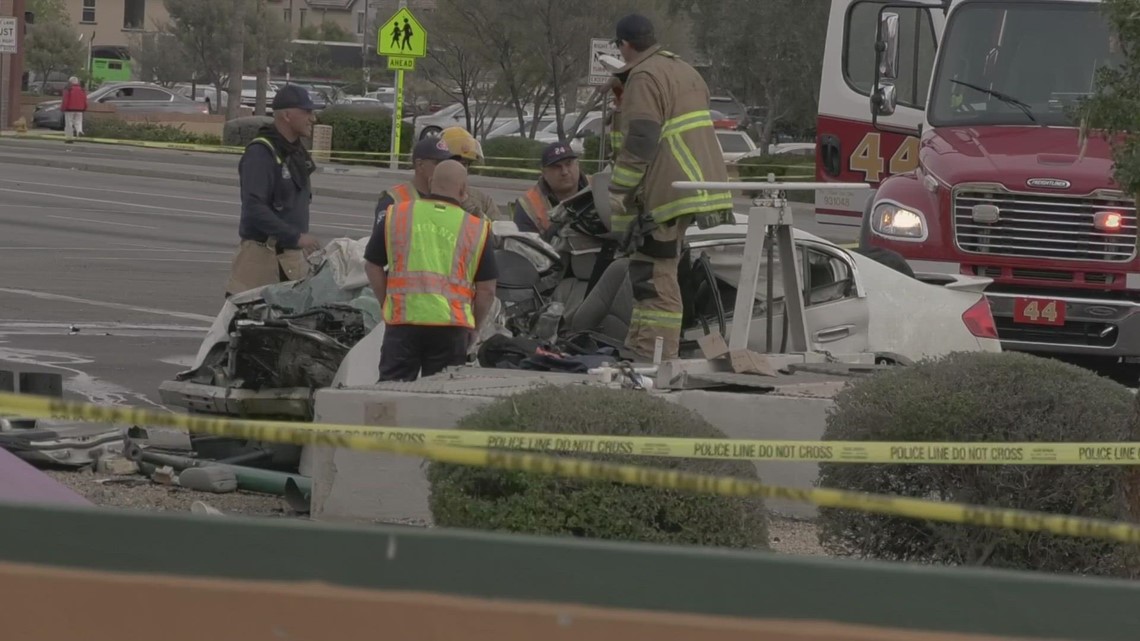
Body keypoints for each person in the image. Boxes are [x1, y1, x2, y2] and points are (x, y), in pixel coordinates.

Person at [607, 13, 734, 361]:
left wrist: (619, 191)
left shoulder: (645, 76)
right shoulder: (684, 70)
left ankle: (656, 360)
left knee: (657, 282)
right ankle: (639, 350)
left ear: (624, 45)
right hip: (691, 188)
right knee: (650, 277)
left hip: (666, 193)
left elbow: (642, 139)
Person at [364, 159, 499, 382]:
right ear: (464, 189)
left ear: (430, 182)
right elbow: (487, 291)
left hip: (403, 323)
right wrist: (474, 327)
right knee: (438, 397)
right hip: (451, 328)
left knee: (390, 393)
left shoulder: (397, 215)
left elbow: (372, 265)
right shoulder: (475, 228)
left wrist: (386, 303)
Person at [224, 85, 321, 298]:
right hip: (261, 262)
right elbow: (254, 208)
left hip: (290, 261)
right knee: (248, 326)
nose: (312, 118)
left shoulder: (295, 153)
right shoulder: (261, 153)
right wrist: (295, 236)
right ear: (287, 115)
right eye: (306, 112)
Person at [511, 141, 589, 237]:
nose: (564, 172)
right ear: (544, 173)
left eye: (568, 164)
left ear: (577, 165)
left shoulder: (599, 188)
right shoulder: (528, 205)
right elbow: (525, 248)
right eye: (557, 167)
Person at [372, 137, 454, 228]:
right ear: (420, 165)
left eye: (447, 163)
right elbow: (381, 239)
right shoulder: (393, 200)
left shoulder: (450, 198)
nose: (445, 168)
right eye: (439, 163)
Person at [439, 126, 504, 220]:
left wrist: (468, 206)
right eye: (455, 164)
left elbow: (496, 231)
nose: (461, 170)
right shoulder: (425, 200)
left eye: (465, 164)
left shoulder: (484, 201)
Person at [61, 77, 87, 142]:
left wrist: (63, 108)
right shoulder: (82, 89)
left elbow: (65, 100)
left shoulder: (68, 89)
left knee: (69, 124)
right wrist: (85, 107)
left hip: (69, 109)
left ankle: (69, 138)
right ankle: (79, 131)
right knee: (78, 122)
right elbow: (85, 99)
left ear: (70, 82)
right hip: (80, 109)